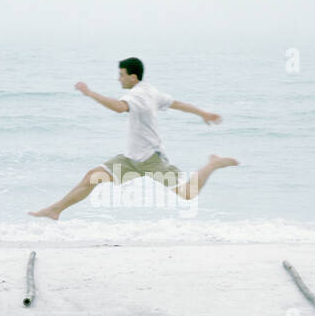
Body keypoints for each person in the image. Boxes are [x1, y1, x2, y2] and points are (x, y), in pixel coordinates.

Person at [28, 57, 239, 220]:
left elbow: (119, 107)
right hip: (130, 159)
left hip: (151, 159)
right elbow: (176, 104)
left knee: (187, 193)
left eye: (121, 75)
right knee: (92, 177)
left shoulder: (138, 96)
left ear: (133, 77)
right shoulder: (150, 91)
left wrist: (90, 93)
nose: (118, 79)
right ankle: (55, 210)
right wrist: (203, 113)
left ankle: (213, 164)